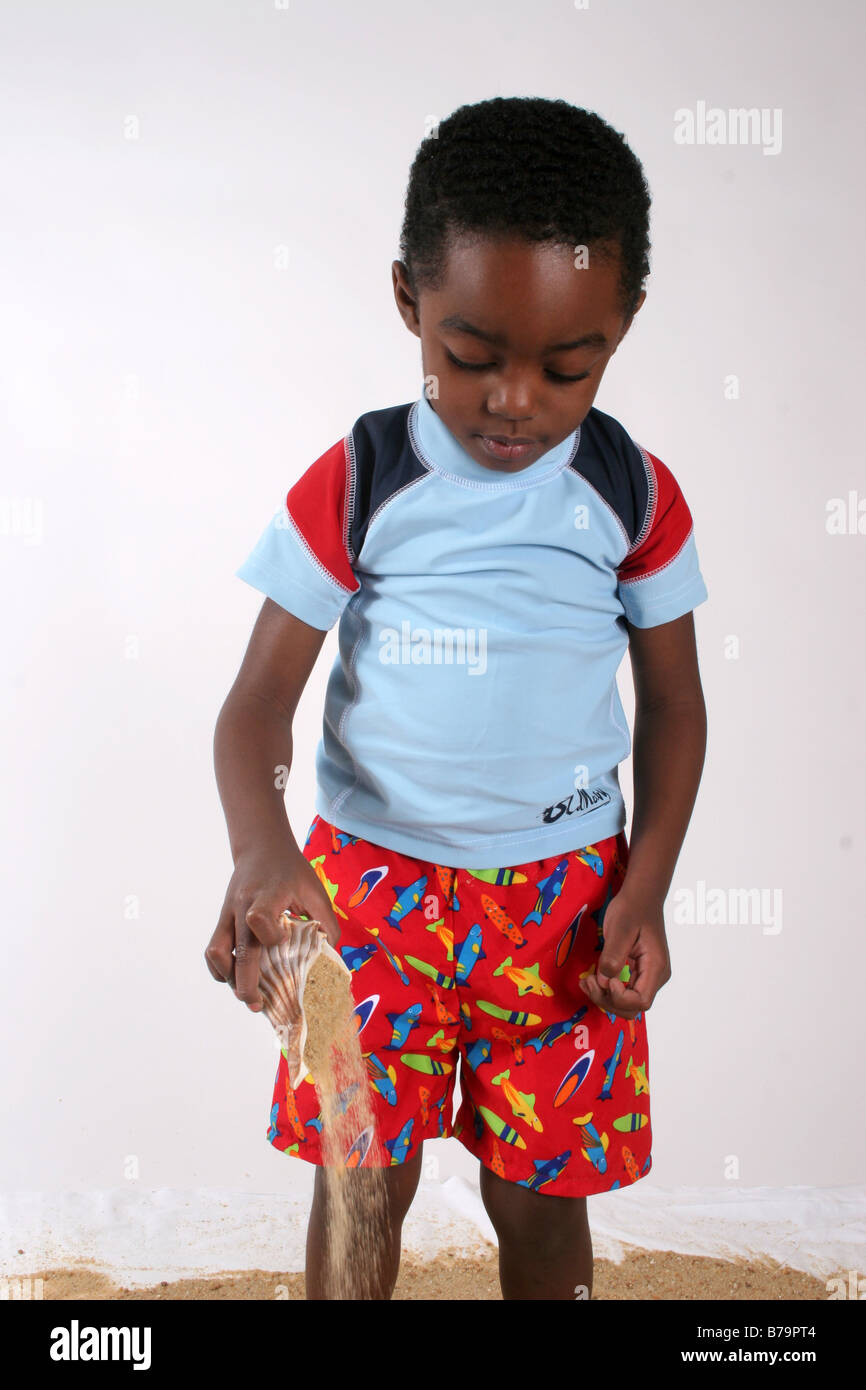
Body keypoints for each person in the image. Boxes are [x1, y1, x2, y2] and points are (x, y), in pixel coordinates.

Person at [205, 96, 708, 1301]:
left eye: (563, 365)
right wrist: (264, 855)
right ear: (406, 304)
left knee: (539, 1194)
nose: (511, 400)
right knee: (356, 1176)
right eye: (470, 354)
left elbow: (675, 709)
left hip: (563, 910)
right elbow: (254, 704)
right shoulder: (365, 475)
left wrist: (644, 886)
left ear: (621, 326)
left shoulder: (630, 493)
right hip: (365, 893)